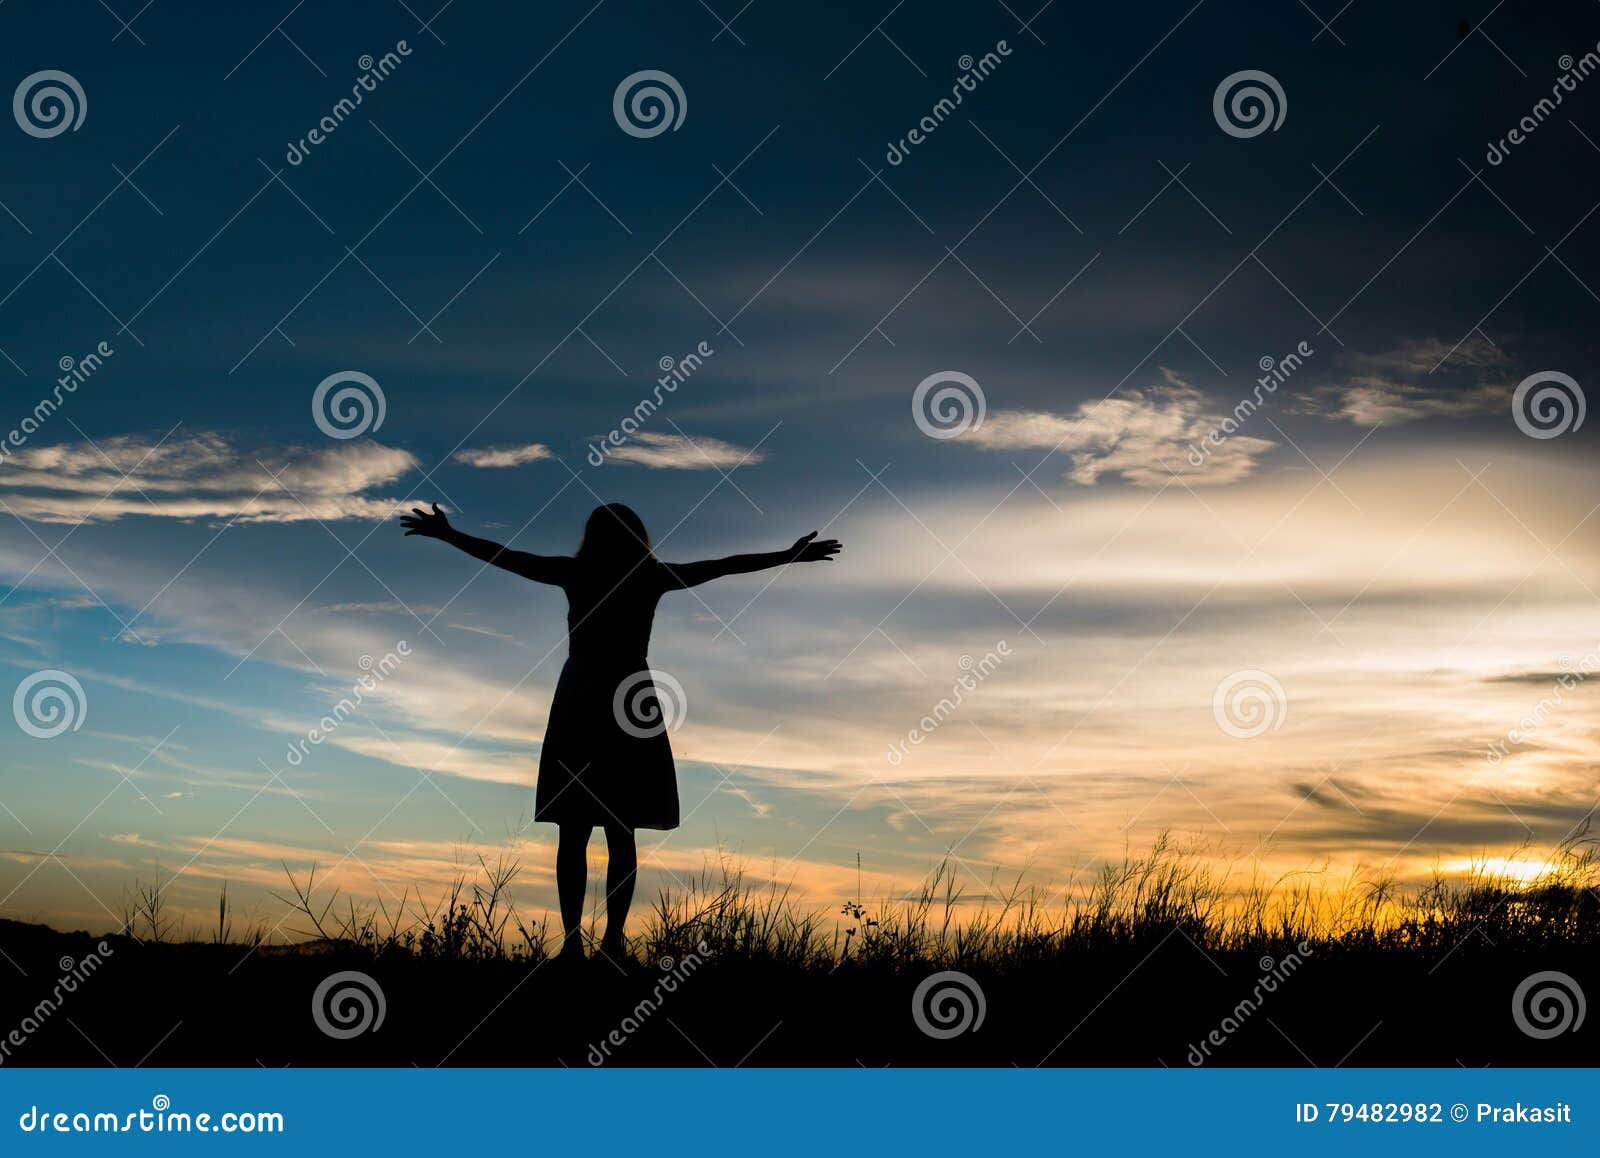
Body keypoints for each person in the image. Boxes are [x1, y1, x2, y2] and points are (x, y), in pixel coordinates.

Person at [400, 501, 842, 960]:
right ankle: (607, 941)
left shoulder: (582, 573)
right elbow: (723, 566)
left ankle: (580, 943)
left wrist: (450, 535)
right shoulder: (646, 576)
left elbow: (506, 556)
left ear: (592, 536)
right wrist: (785, 557)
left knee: (580, 828)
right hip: (625, 699)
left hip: (586, 698)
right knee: (616, 824)